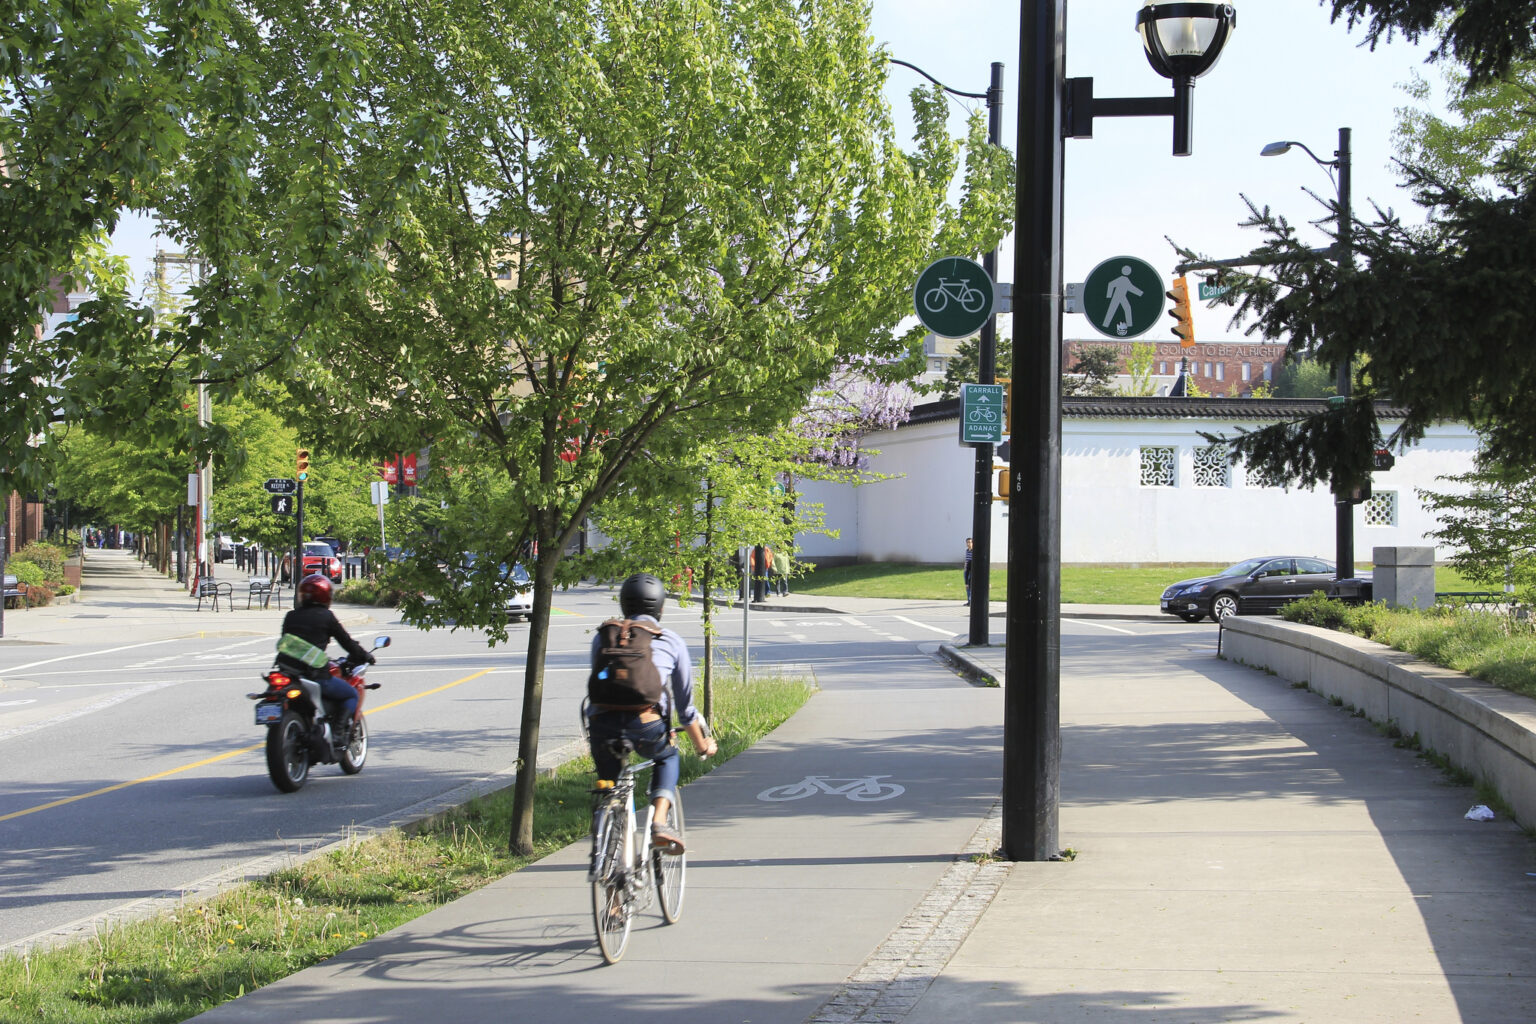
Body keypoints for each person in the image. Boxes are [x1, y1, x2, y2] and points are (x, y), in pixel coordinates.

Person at [587, 573, 716, 854]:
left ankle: (606, 824)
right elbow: (685, 710)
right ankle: (659, 822)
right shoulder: (671, 641)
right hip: (647, 725)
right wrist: (702, 745)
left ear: (623, 604)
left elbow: (600, 680)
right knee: (668, 756)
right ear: (661, 607)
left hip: (601, 723)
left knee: (609, 782)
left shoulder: (604, 636)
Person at [275, 573, 373, 756]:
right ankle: (337, 734)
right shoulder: (326, 616)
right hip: (313, 675)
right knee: (351, 694)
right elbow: (346, 642)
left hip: (288, 673)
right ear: (325, 595)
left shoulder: (291, 616)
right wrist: (364, 655)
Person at [963, 537, 974, 606]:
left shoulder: (974, 551)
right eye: (967, 542)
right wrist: (965, 567)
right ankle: (969, 600)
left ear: (972, 543)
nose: (968, 544)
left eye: (970, 542)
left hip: (971, 570)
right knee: (967, 585)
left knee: (970, 585)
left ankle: (971, 601)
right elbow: (966, 560)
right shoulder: (967, 551)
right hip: (966, 570)